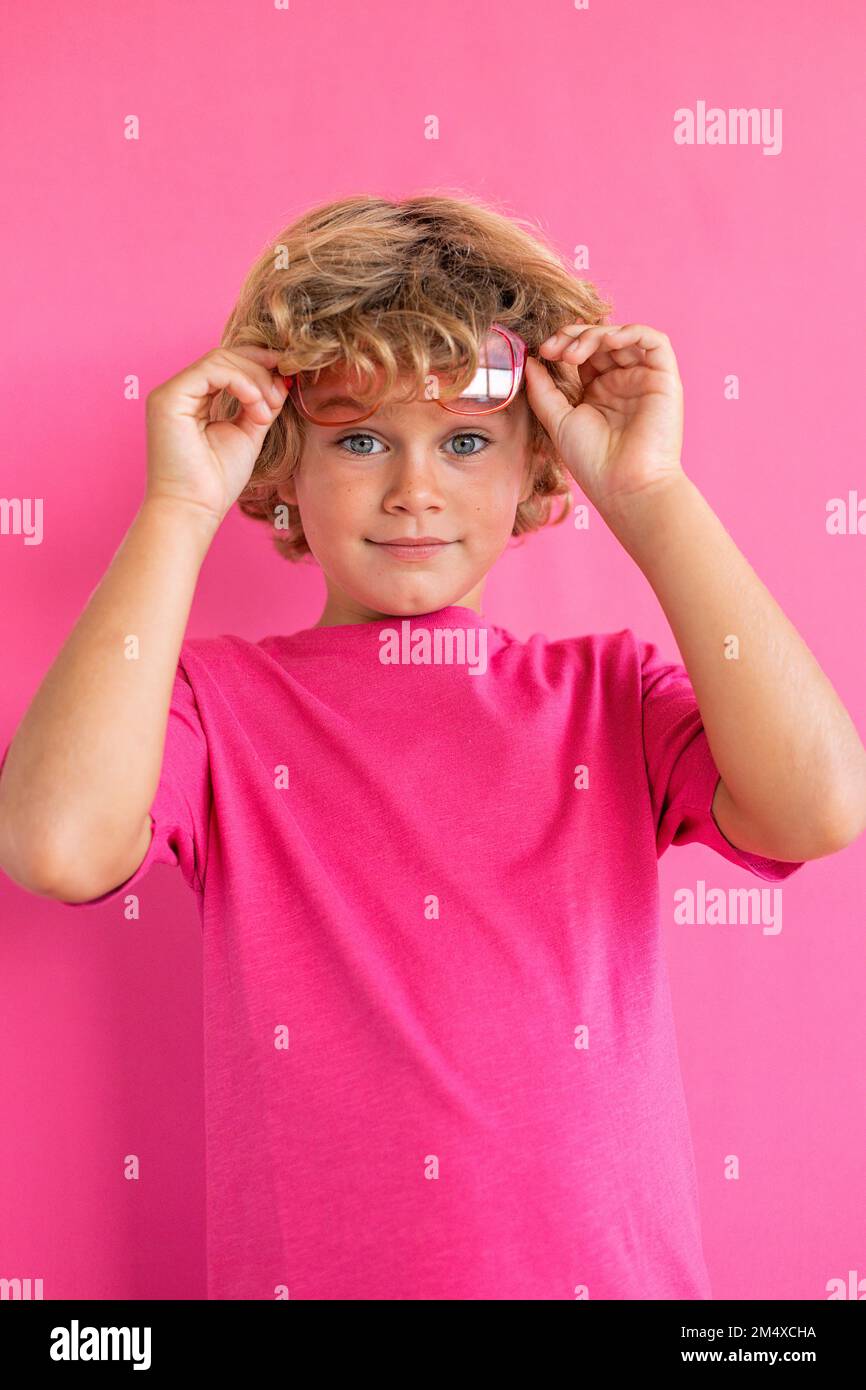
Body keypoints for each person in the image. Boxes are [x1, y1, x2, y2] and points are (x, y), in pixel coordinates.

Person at [1, 192, 865, 1301]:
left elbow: (817, 806)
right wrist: (179, 503)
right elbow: (57, 845)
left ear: (533, 472)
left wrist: (649, 494)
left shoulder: (605, 696)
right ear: (281, 469)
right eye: (359, 440)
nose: (414, 491)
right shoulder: (215, 709)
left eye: (464, 442)